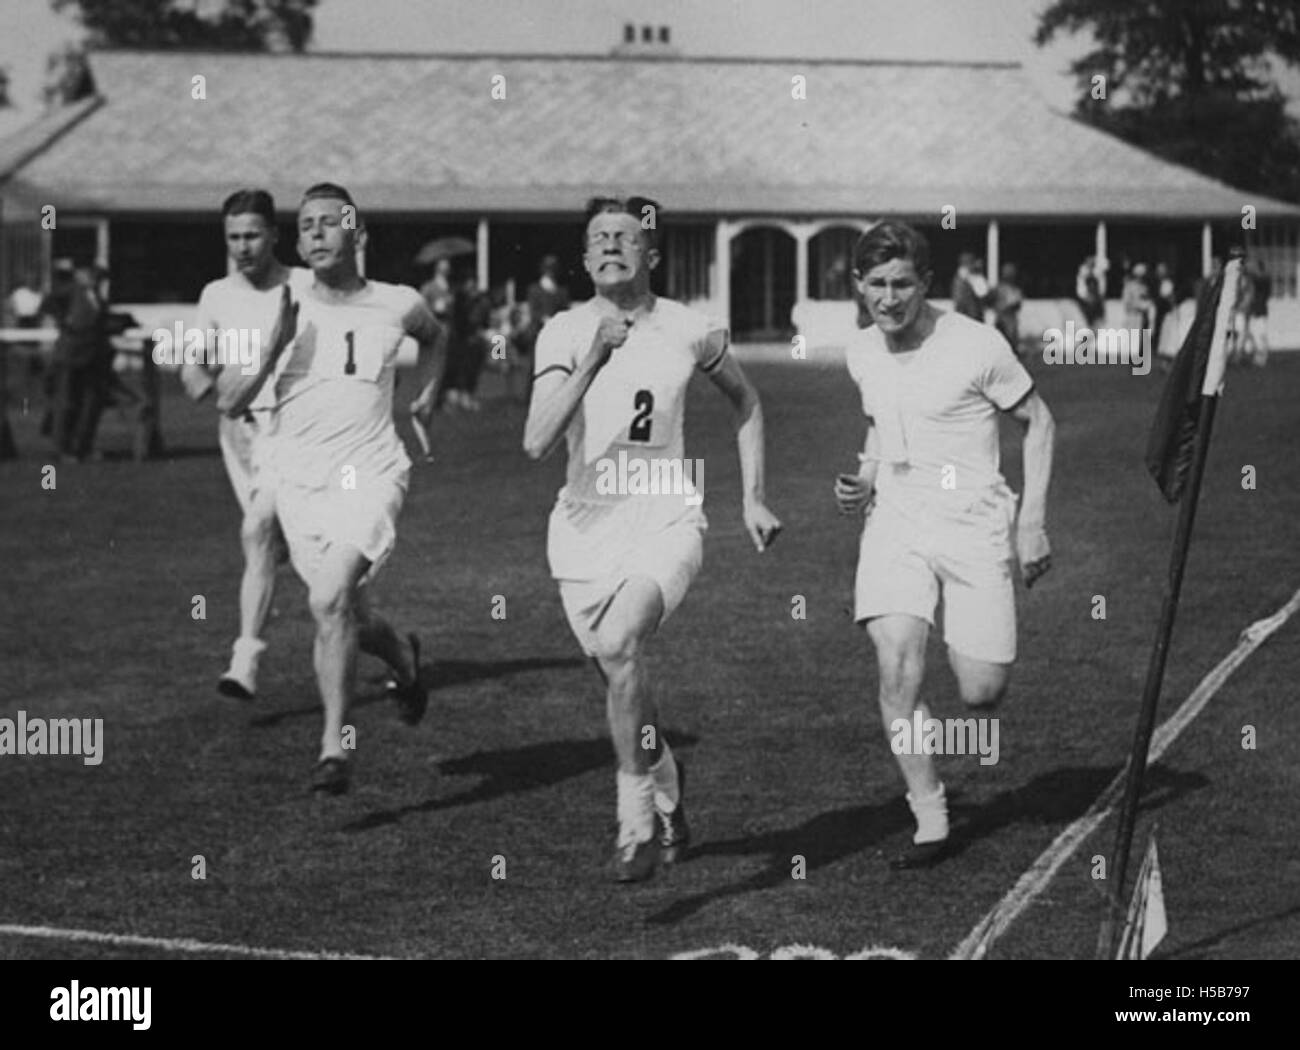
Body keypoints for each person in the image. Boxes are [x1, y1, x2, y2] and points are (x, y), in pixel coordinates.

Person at [523, 195, 782, 882]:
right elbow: (536, 441)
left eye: (625, 237)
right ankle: (667, 777)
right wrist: (593, 360)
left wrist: (752, 497)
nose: (611, 245)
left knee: (619, 646)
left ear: (652, 255)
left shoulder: (690, 328)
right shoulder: (562, 332)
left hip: (667, 516)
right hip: (583, 529)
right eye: (598, 238)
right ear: (584, 259)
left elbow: (747, 401)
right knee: (619, 678)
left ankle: (634, 817)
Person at [833, 221, 1055, 869]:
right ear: (859, 286)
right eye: (876, 283)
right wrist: (866, 478)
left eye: (903, 283)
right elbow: (880, 426)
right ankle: (928, 808)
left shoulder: (976, 344)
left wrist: (1031, 521)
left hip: (973, 520)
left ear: (927, 283)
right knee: (896, 663)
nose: (890, 297)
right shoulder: (861, 352)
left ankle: (949, 751)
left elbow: (1038, 422)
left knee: (981, 691)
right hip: (897, 520)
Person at [218, 183, 446, 795]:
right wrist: (274, 344)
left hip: (371, 473)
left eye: (330, 223)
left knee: (327, 602)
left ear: (358, 234)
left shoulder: (397, 303)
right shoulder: (282, 304)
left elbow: (436, 335)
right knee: (344, 608)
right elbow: (228, 399)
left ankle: (334, 747)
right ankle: (400, 654)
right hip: (300, 483)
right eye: (307, 226)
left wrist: (426, 390)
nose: (317, 233)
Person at [178, 188, 310, 701]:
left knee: (257, 530)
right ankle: (393, 651)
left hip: (298, 432)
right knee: (284, 551)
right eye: (233, 237)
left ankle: (246, 658)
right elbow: (196, 363)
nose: (243, 246)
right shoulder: (216, 294)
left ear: (275, 235)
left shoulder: (303, 285)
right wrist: (202, 383)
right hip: (242, 438)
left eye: (253, 235)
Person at [49, 263, 113, 462]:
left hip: (92, 356)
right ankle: (62, 449)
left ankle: (83, 447)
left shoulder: (97, 298)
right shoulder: (72, 291)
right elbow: (48, 302)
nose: (97, 281)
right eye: (94, 276)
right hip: (70, 355)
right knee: (67, 403)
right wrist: (63, 321)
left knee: (90, 404)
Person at [993, 262, 1023, 356]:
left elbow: (1018, 304)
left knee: (1012, 344)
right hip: (1002, 318)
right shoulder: (999, 288)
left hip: (1010, 318)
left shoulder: (1015, 289)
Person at [950, 252, 986, 321]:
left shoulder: (972, 276)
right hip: (968, 315)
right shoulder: (964, 276)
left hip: (972, 316)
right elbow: (981, 293)